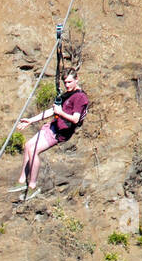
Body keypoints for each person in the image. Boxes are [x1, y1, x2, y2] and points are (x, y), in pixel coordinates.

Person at [11, 69, 90, 200]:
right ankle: (21, 182)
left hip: (59, 133)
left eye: (70, 82)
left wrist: (61, 112)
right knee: (28, 146)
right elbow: (52, 111)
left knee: (34, 151)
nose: (67, 85)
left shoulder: (80, 97)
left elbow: (75, 119)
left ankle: (32, 186)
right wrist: (31, 120)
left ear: (77, 79)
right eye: (65, 82)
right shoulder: (68, 94)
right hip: (52, 127)